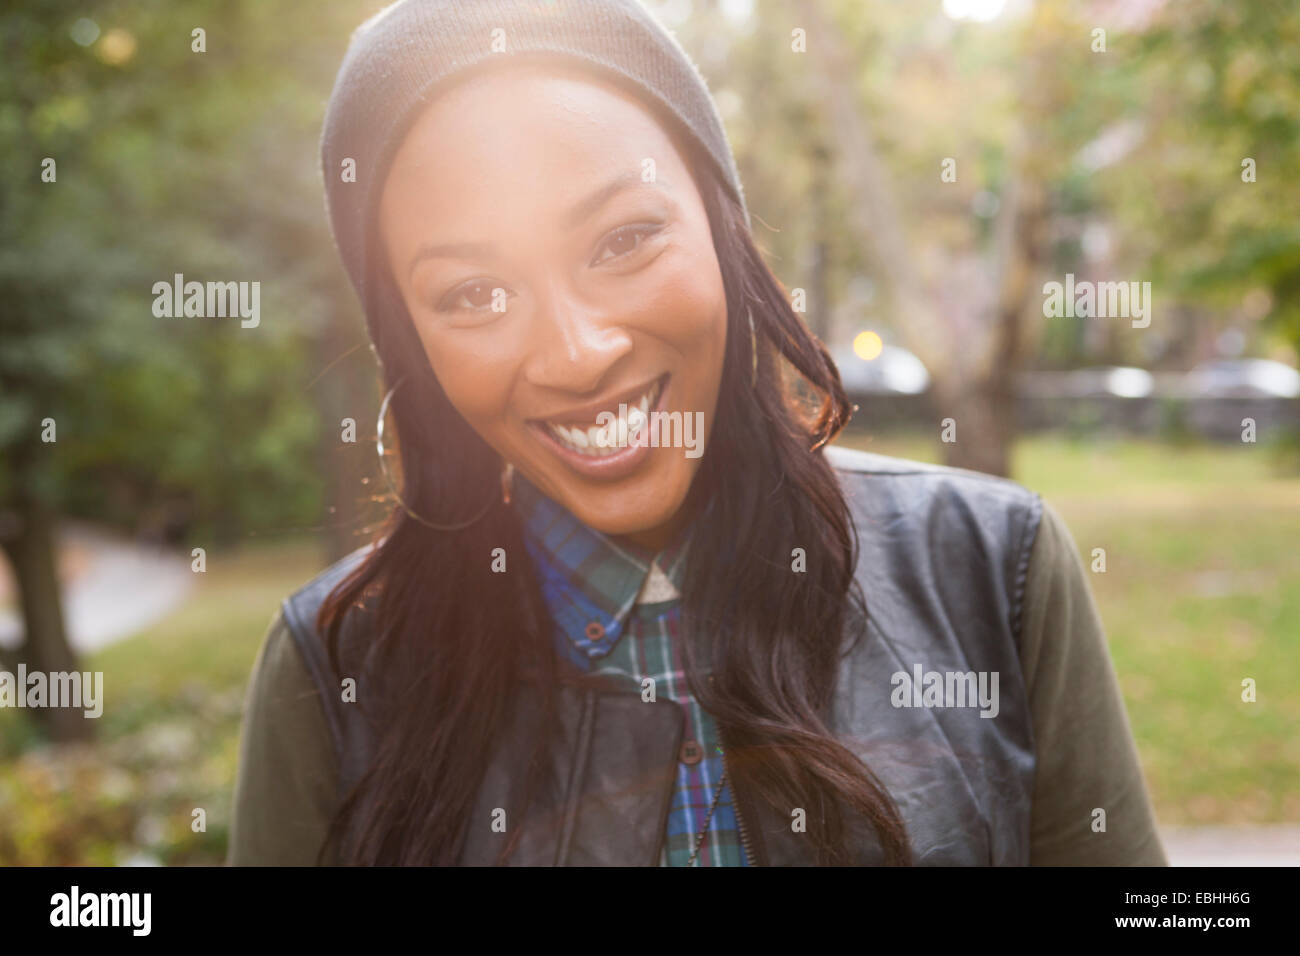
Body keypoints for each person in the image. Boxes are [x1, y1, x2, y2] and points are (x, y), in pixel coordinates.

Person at [228, 0, 1167, 866]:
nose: (576, 354)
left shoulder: (992, 570)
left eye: (623, 238)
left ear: (722, 228)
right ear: (413, 344)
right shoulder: (334, 672)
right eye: (473, 294)